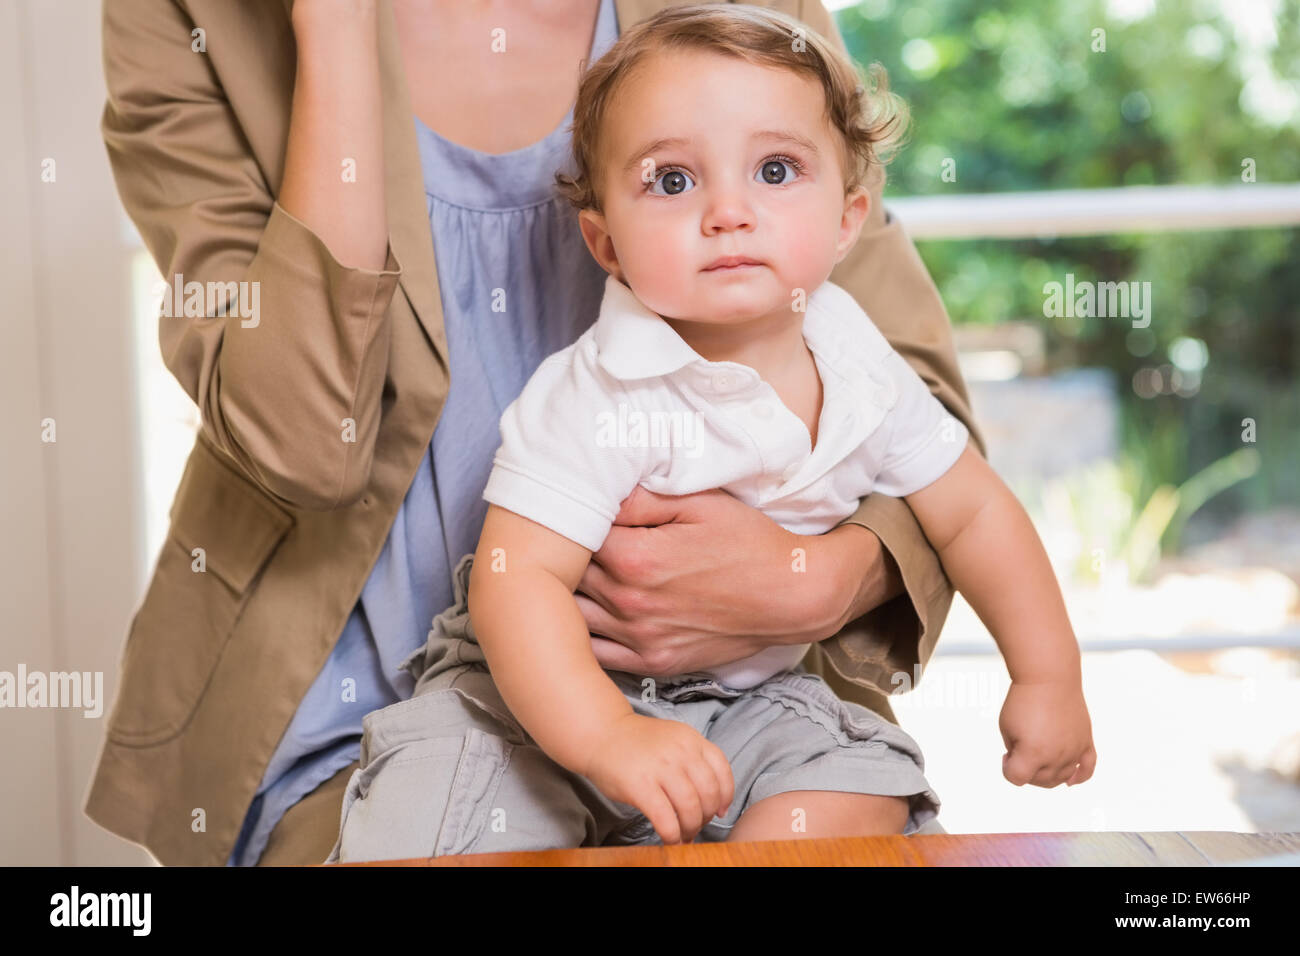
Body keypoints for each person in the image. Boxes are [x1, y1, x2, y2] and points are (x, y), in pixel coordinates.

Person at [87, 0, 986, 866]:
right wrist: (333, 28)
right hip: (350, 718)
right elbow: (308, 443)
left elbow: (922, 405)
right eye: (671, 182)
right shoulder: (187, 13)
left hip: (736, 700)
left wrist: (811, 581)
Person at [326, 3, 1095, 861]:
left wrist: (1047, 672)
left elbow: (974, 514)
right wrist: (610, 738)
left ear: (849, 217)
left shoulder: (856, 360)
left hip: (754, 701)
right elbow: (518, 584)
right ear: (605, 242)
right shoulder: (602, 386)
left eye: (774, 169)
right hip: (537, 697)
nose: (728, 211)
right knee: (437, 805)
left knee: (854, 787)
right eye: (673, 181)